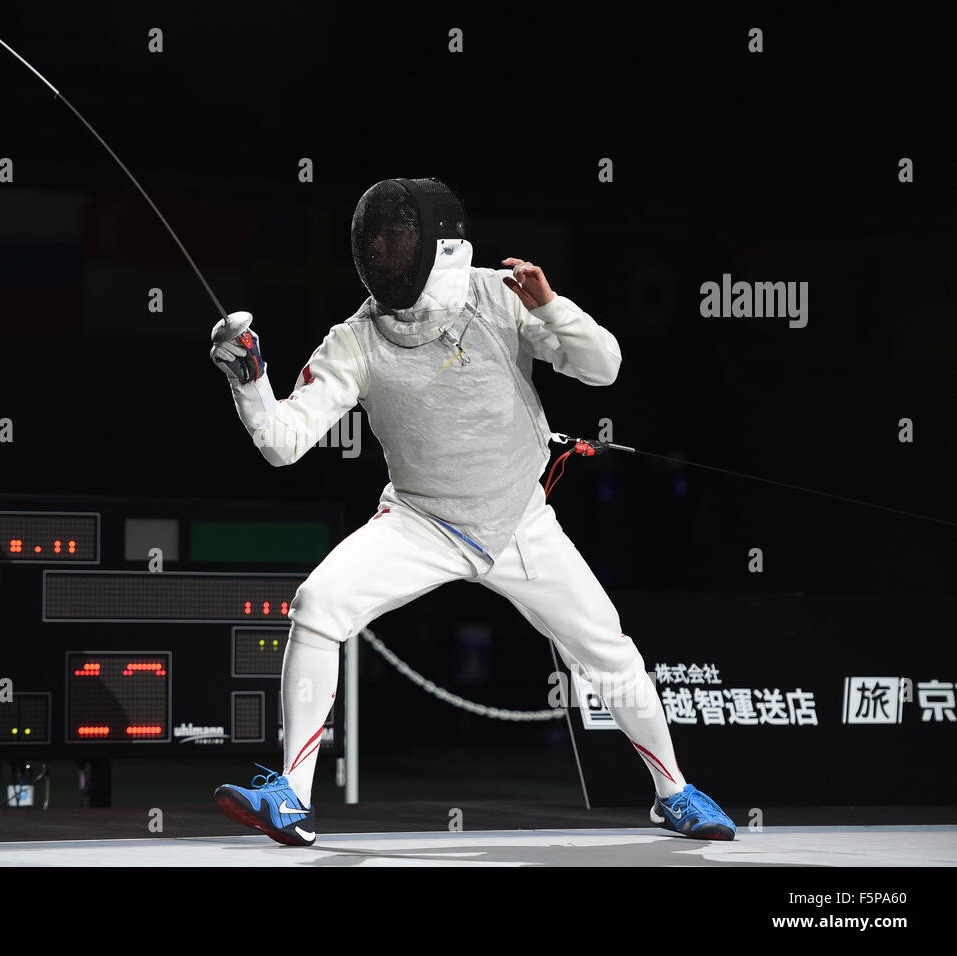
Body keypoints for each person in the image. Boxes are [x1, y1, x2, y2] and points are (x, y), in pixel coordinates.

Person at [208, 178, 735, 847]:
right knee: (318, 604)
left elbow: (604, 367)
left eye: (398, 239)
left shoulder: (497, 294)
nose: (388, 254)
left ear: (439, 244)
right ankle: (291, 795)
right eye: (379, 243)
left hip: (519, 519)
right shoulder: (355, 341)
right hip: (419, 522)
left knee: (607, 649)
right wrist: (251, 383)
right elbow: (283, 443)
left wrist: (550, 307)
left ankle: (673, 794)